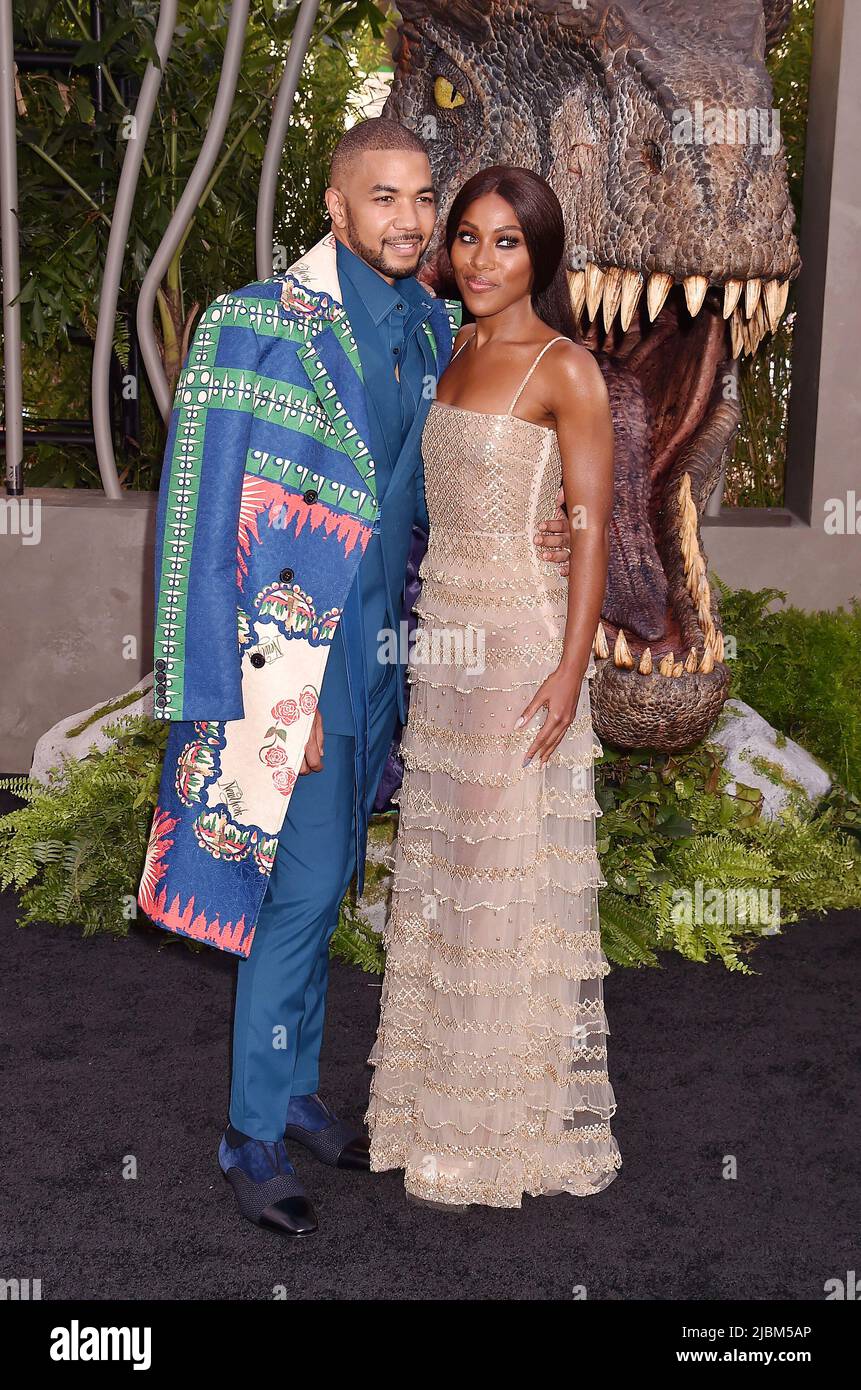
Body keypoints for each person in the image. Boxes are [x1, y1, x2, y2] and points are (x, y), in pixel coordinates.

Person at [138, 121, 572, 1238]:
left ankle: (292, 1092)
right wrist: (251, 688)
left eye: (422, 199)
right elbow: (195, 509)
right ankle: (251, 1135)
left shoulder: (434, 329)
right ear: (335, 209)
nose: (411, 222)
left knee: (327, 887)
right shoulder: (252, 324)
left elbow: (437, 492)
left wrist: (541, 539)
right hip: (299, 663)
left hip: (397, 659)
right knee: (298, 892)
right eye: (384, 200)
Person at [364, 165, 621, 1209]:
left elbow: (593, 527)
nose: (479, 258)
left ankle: (493, 1128)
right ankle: (432, 1106)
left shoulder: (568, 370)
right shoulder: (454, 344)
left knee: (505, 881)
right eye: (466, 237)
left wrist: (570, 665)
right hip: (445, 653)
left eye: (506, 241)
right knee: (444, 877)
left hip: (519, 646)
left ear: (542, 255)